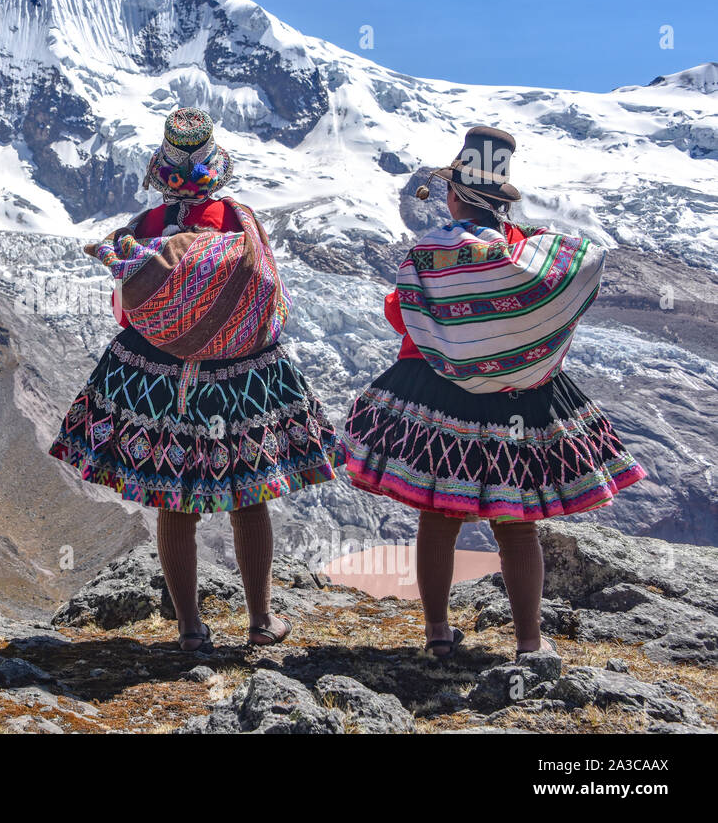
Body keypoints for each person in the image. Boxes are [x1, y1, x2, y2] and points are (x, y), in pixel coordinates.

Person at [343, 127, 646, 660]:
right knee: (517, 524)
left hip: (437, 399)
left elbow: (400, 314)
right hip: (517, 402)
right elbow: (565, 295)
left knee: (438, 514)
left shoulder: (430, 253)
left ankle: (437, 632)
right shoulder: (531, 254)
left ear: (456, 195)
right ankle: (529, 641)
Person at [49, 107, 344, 652]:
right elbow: (272, 301)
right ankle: (260, 621)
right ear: (216, 167)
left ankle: (189, 628)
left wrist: (175, 318)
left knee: (173, 499)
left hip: (156, 374)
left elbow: (125, 312)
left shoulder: (142, 232)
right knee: (249, 495)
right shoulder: (242, 223)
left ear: (163, 173)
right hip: (240, 378)